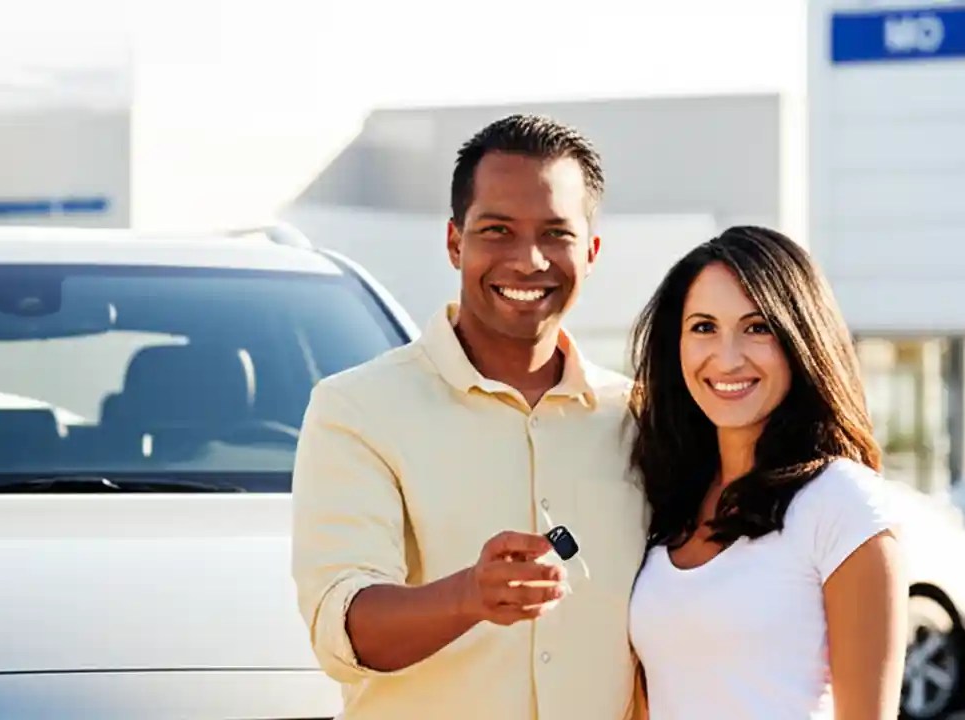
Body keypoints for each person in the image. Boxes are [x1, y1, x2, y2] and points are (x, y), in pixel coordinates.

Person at [291, 114, 648, 719]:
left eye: (555, 234)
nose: (528, 260)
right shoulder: (357, 409)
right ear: (456, 241)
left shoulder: (640, 419)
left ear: (590, 251)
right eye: (498, 230)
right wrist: (468, 597)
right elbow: (342, 630)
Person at [626, 225, 908, 719]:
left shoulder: (842, 504)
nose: (728, 358)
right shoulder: (666, 498)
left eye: (757, 328)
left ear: (800, 340)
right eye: (703, 327)